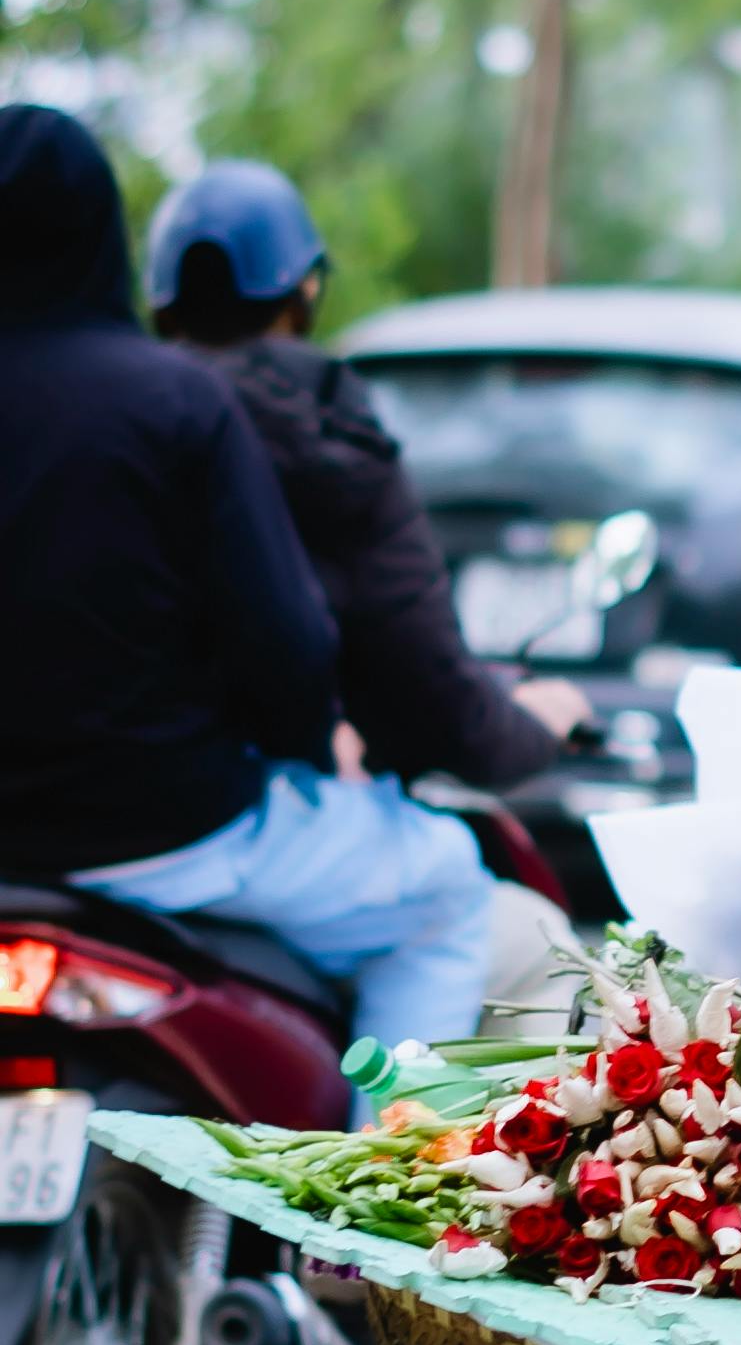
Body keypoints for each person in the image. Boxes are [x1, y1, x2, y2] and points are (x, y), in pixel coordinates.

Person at [0, 109, 493, 1052]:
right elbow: (286, 640)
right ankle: (366, 1189)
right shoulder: (172, 401)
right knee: (446, 889)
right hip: (167, 832)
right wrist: (307, 747)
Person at [145, 161, 589, 793]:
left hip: (79, 813)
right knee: (499, 892)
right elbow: (431, 691)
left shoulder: (107, 423)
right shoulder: (329, 429)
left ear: (162, 302)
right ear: (303, 292)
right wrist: (536, 725)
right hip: (246, 815)